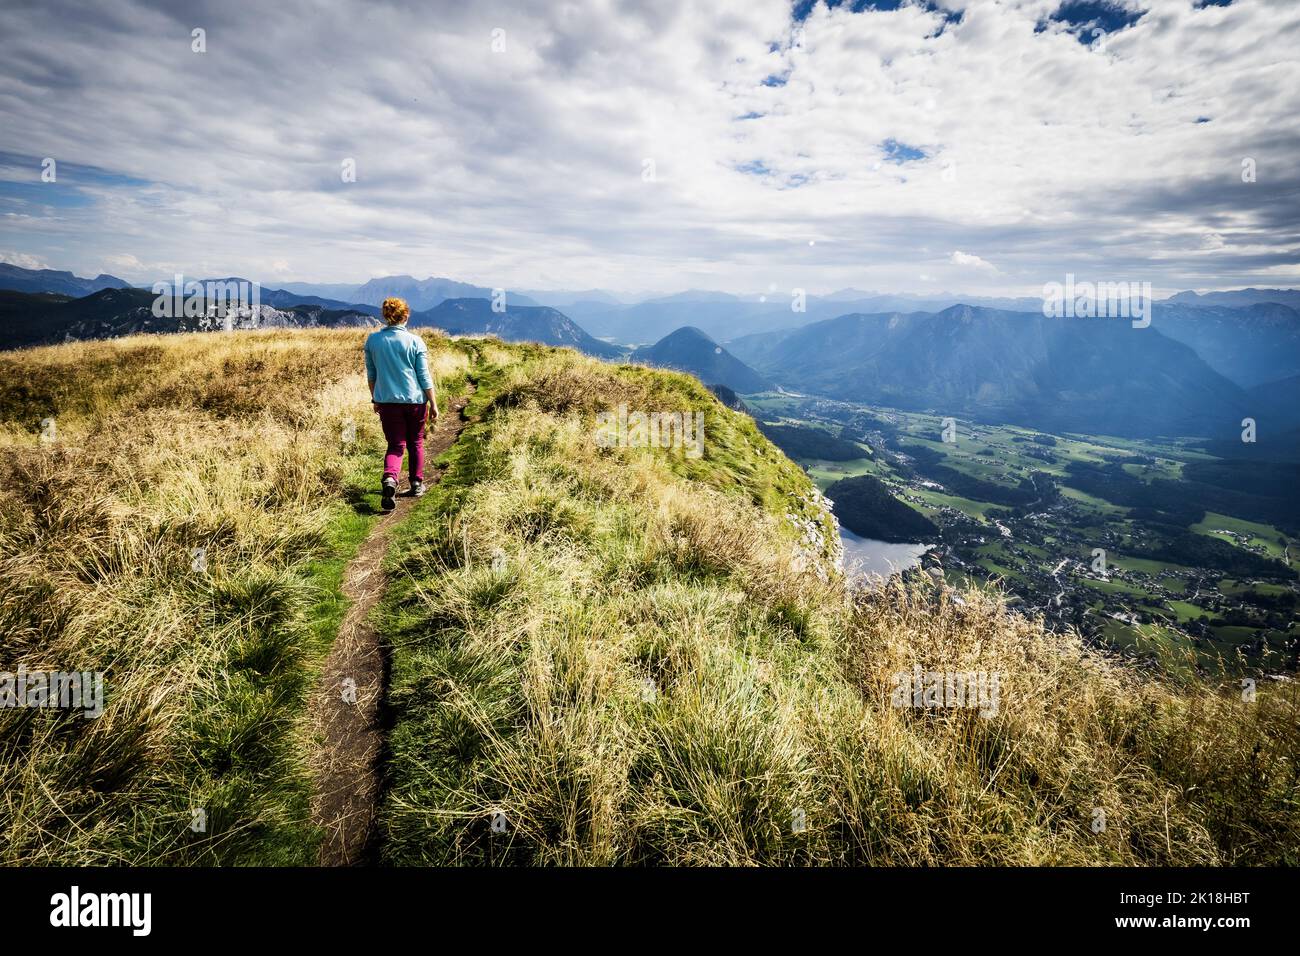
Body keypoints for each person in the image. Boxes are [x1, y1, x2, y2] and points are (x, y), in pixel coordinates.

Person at [364, 297, 439, 511]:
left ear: (386, 316)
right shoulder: (415, 341)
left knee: (396, 445)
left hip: (387, 401)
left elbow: (372, 375)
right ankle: (416, 483)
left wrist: (375, 398)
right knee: (416, 442)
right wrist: (433, 403)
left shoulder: (373, 341)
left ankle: (390, 479)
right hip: (415, 401)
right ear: (405, 316)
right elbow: (423, 376)